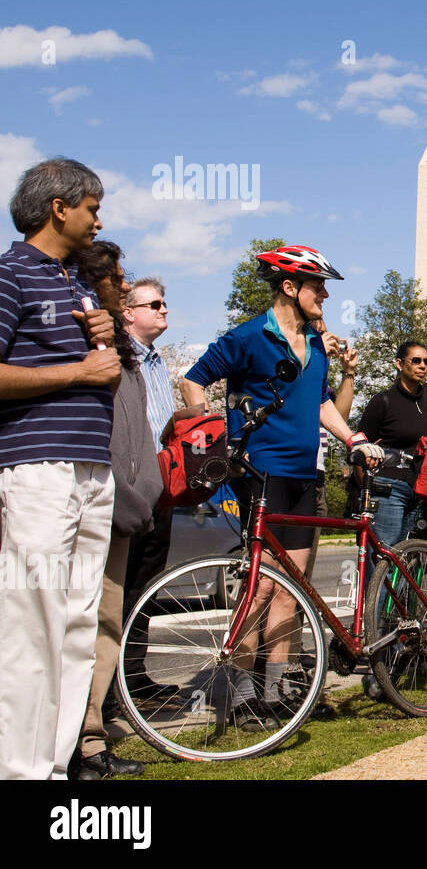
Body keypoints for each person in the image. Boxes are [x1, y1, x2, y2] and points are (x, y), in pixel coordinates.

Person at [182, 244, 383, 727]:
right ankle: (242, 695)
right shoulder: (249, 337)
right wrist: (213, 438)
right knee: (261, 587)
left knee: (292, 589)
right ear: (290, 288)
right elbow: (193, 381)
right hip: (261, 474)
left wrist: (353, 437)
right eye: (318, 287)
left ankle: (276, 696)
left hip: (304, 477)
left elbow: (319, 404)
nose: (326, 296)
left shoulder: (315, 345)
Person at [0, 157, 117, 780]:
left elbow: (105, 373)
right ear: (59, 208)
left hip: (91, 472)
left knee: (74, 627)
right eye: (93, 208)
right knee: (30, 625)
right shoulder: (10, 274)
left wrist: (103, 338)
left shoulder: (76, 282)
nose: (99, 220)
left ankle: (53, 765)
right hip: (37, 468)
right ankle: (19, 771)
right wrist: (79, 370)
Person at [70, 242, 158, 779]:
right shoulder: (73, 335)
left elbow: (138, 432)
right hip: (83, 500)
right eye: (116, 277)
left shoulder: (121, 349)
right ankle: (59, 745)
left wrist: (142, 487)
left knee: (105, 625)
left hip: (121, 507)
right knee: (64, 628)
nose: (123, 286)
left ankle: (90, 744)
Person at [117, 276, 178, 707]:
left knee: (145, 587)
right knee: (118, 586)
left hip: (162, 485)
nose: (163, 310)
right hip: (130, 482)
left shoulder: (157, 362)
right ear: (128, 313)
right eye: (154, 304)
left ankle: (134, 678)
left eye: (164, 304)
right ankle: (107, 690)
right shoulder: (120, 358)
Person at [357, 340, 427, 549]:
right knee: (383, 555)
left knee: (405, 561)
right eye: (416, 360)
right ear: (399, 364)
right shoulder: (383, 401)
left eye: (426, 361)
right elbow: (360, 445)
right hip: (388, 487)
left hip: (419, 489)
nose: (423, 366)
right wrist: (365, 488)